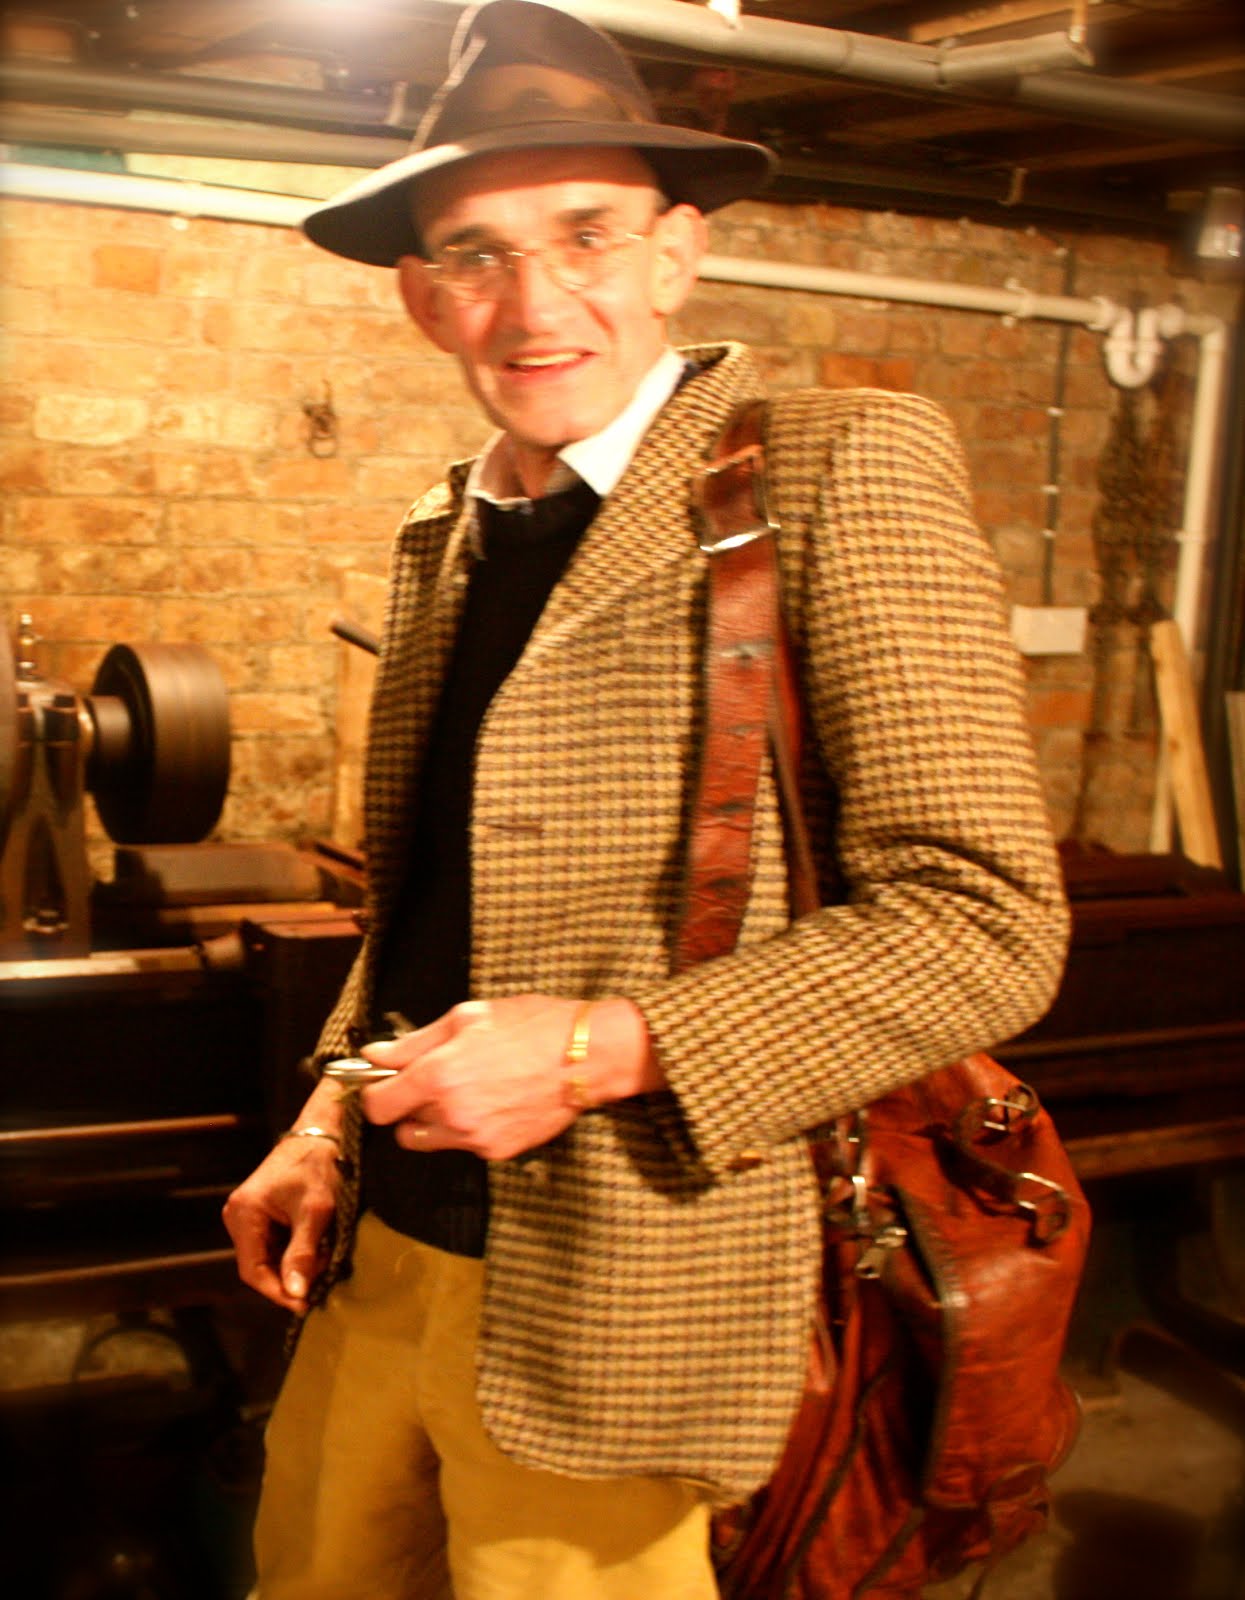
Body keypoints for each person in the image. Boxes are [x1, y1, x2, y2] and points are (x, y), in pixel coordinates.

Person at [223, 4, 1070, 1596]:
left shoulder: (834, 468)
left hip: (630, 1292)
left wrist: (604, 1048)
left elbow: (985, 923)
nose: (532, 303)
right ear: (420, 295)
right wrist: (330, 1111)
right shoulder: (445, 534)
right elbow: (426, 910)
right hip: (380, 1266)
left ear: (676, 252)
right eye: (473, 251)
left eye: (586, 233)